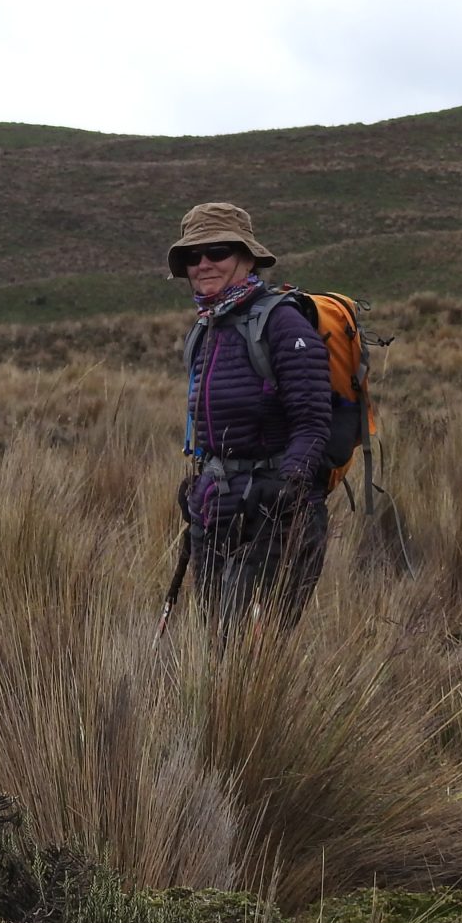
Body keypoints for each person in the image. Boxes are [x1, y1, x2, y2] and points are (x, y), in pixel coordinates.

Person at [171, 202, 332, 630]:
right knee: (213, 638)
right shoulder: (206, 327)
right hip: (216, 508)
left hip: (277, 518)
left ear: (247, 257)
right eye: (192, 256)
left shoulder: (283, 323)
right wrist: (201, 479)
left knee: (258, 652)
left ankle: (262, 702)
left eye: (218, 251)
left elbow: (314, 420)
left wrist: (287, 487)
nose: (204, 264)